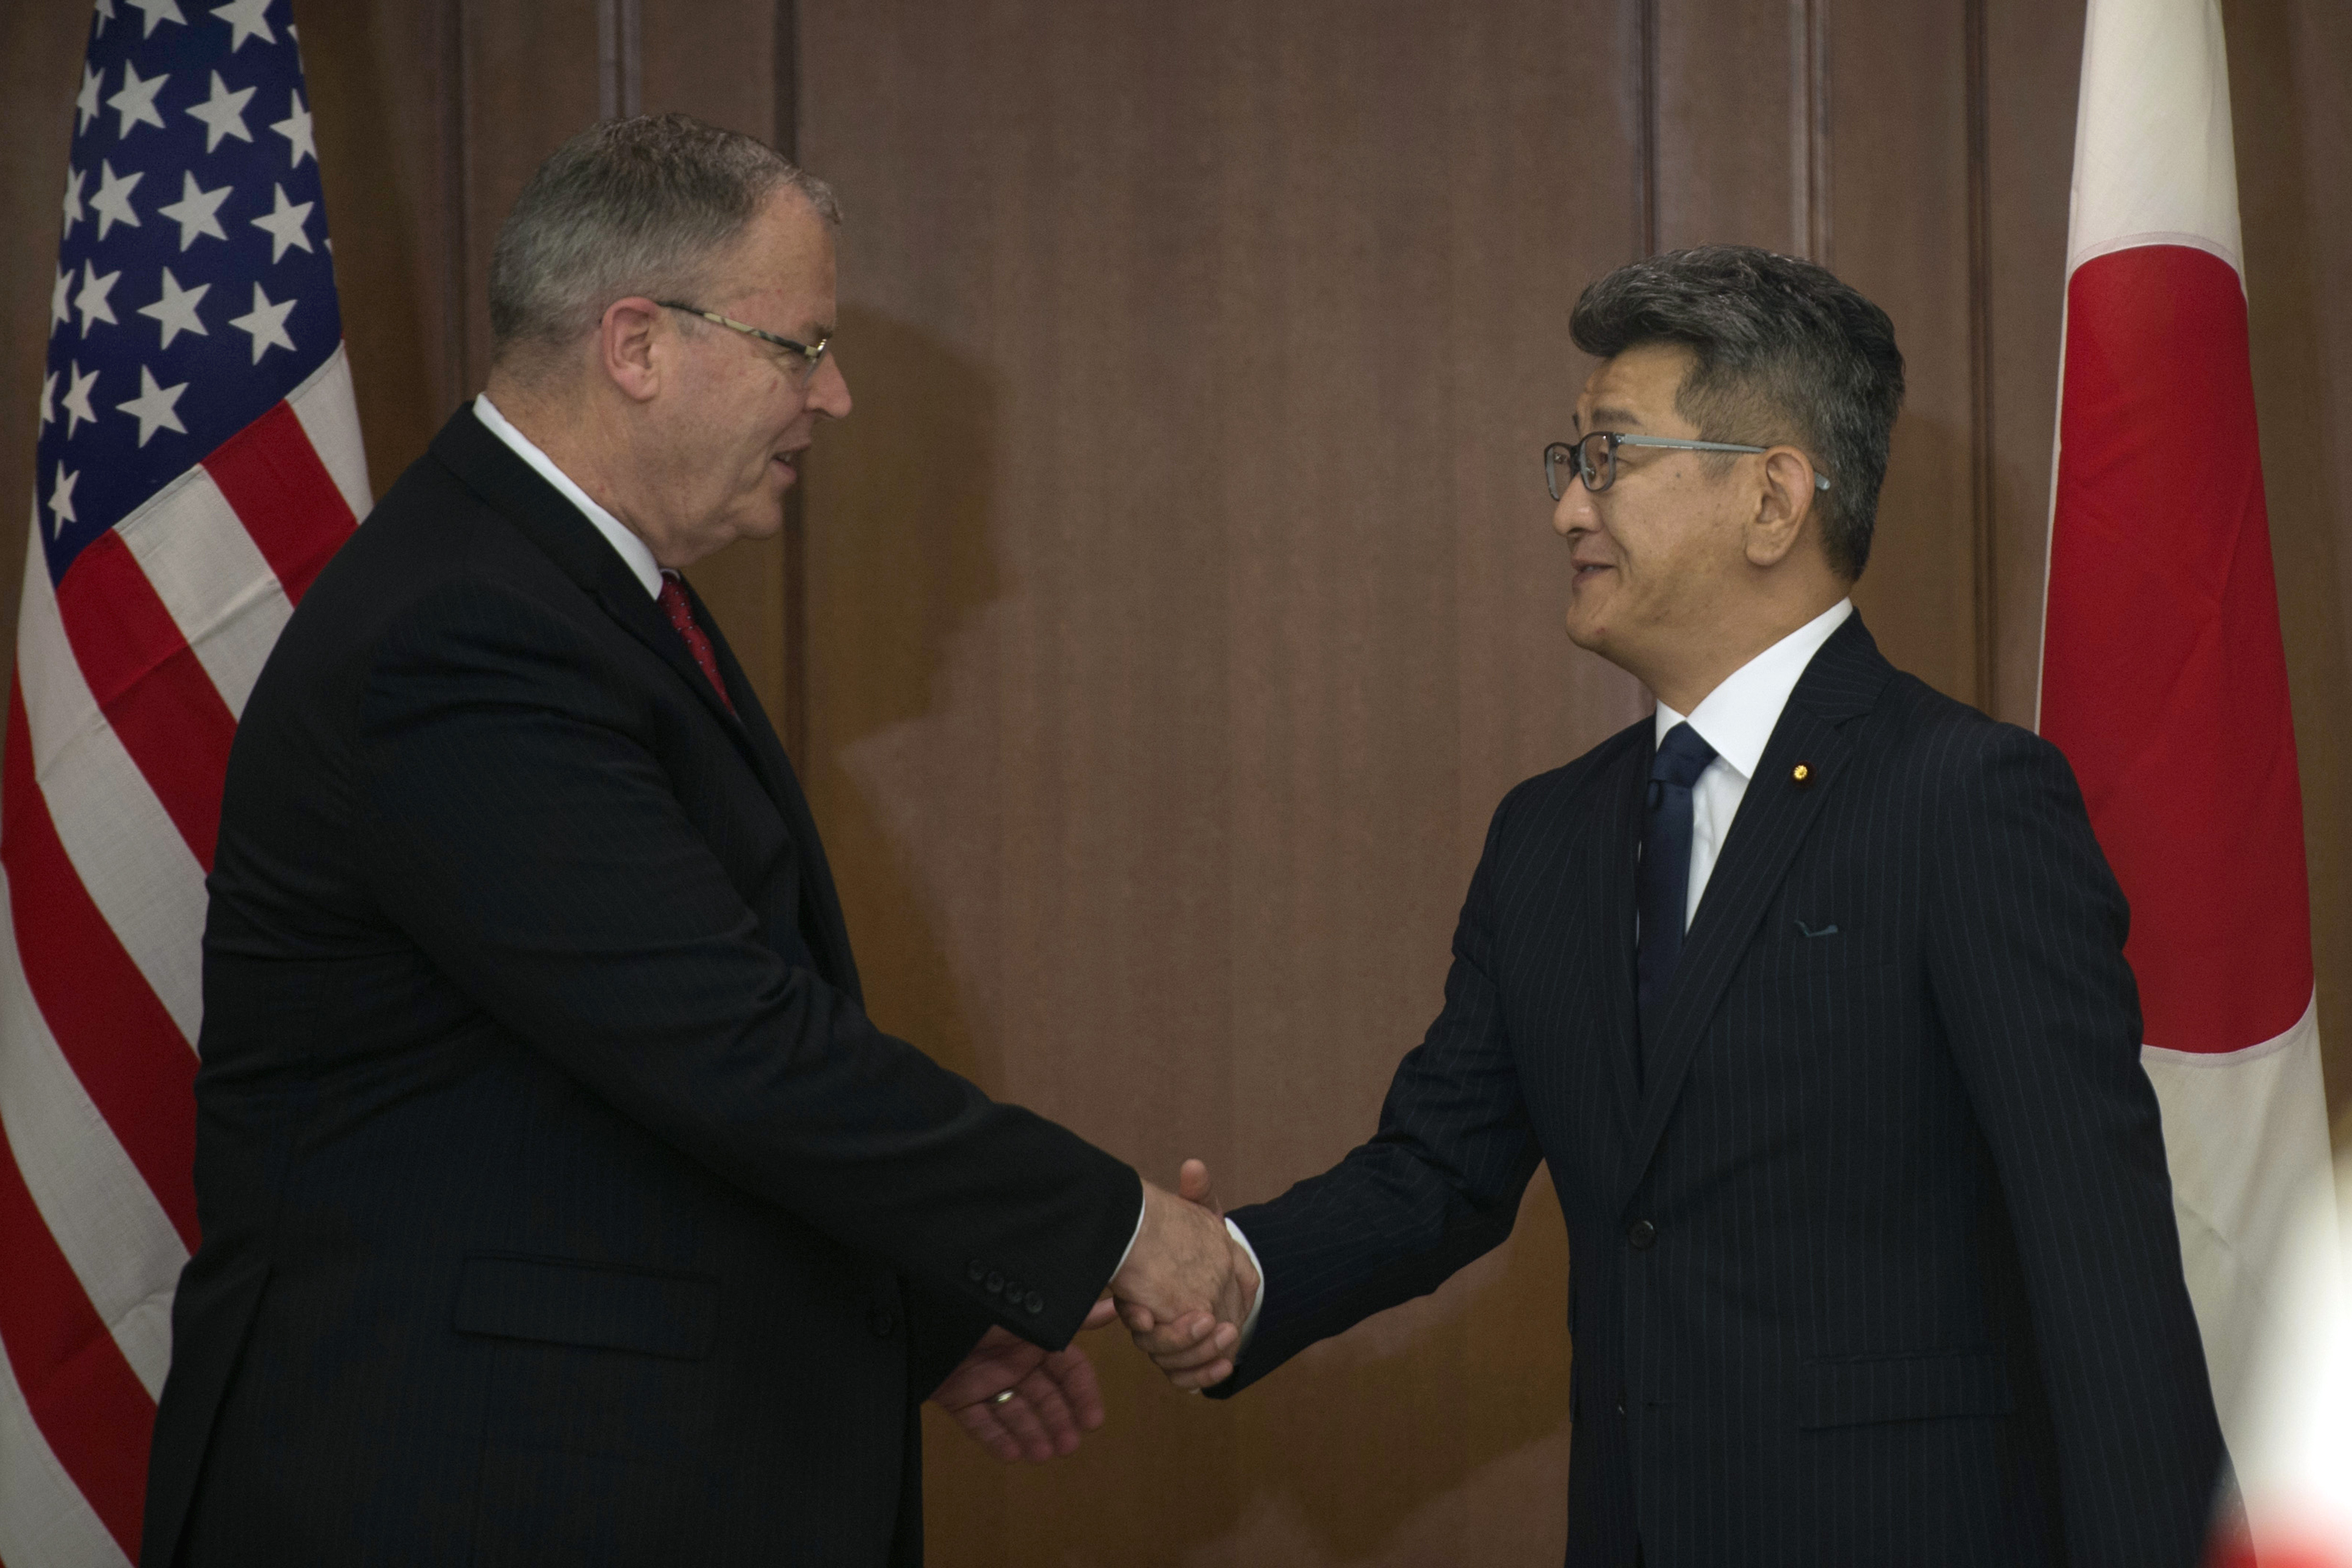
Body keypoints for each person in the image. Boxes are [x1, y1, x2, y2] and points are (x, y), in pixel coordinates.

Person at [141, 115, 1254, 1568]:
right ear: (638, 345)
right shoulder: (463, 631)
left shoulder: (563, 586)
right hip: (455, 1488)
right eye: (803, 347)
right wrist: (1116, 1229)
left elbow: (599, 1096)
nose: (834, 395)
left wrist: (922, 1310)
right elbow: (726, 1039)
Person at [1129, 246, 2226, 1566]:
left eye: (1608, 458)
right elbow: (1437, 1172)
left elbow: (2098, 1260)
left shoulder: (1965, 800)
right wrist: (1234, 1267)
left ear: (1772, 499)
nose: (1566, 511)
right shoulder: (1548, 835)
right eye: (1569, 463)